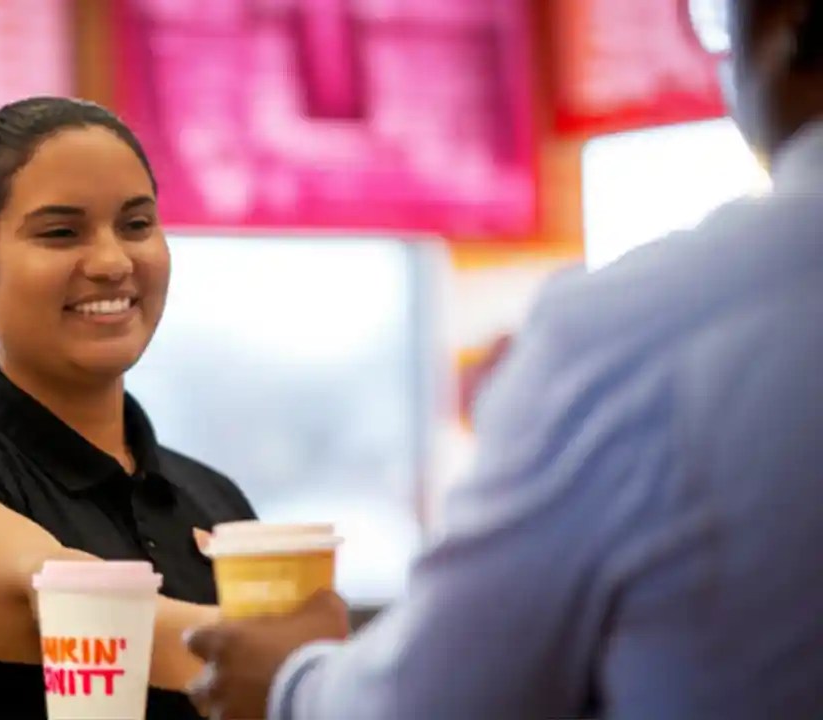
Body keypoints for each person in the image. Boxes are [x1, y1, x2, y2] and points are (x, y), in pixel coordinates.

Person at [186, 0, 823, 717]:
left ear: (787, 29)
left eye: (716, 23)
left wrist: (289, 685)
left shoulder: (641, 335)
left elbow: (439, 700)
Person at [0, 97, 256, 719]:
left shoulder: (216, 502)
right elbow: (50, 596)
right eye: (61, 232)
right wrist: (289, 658)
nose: (112, 262)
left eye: (136, 225)